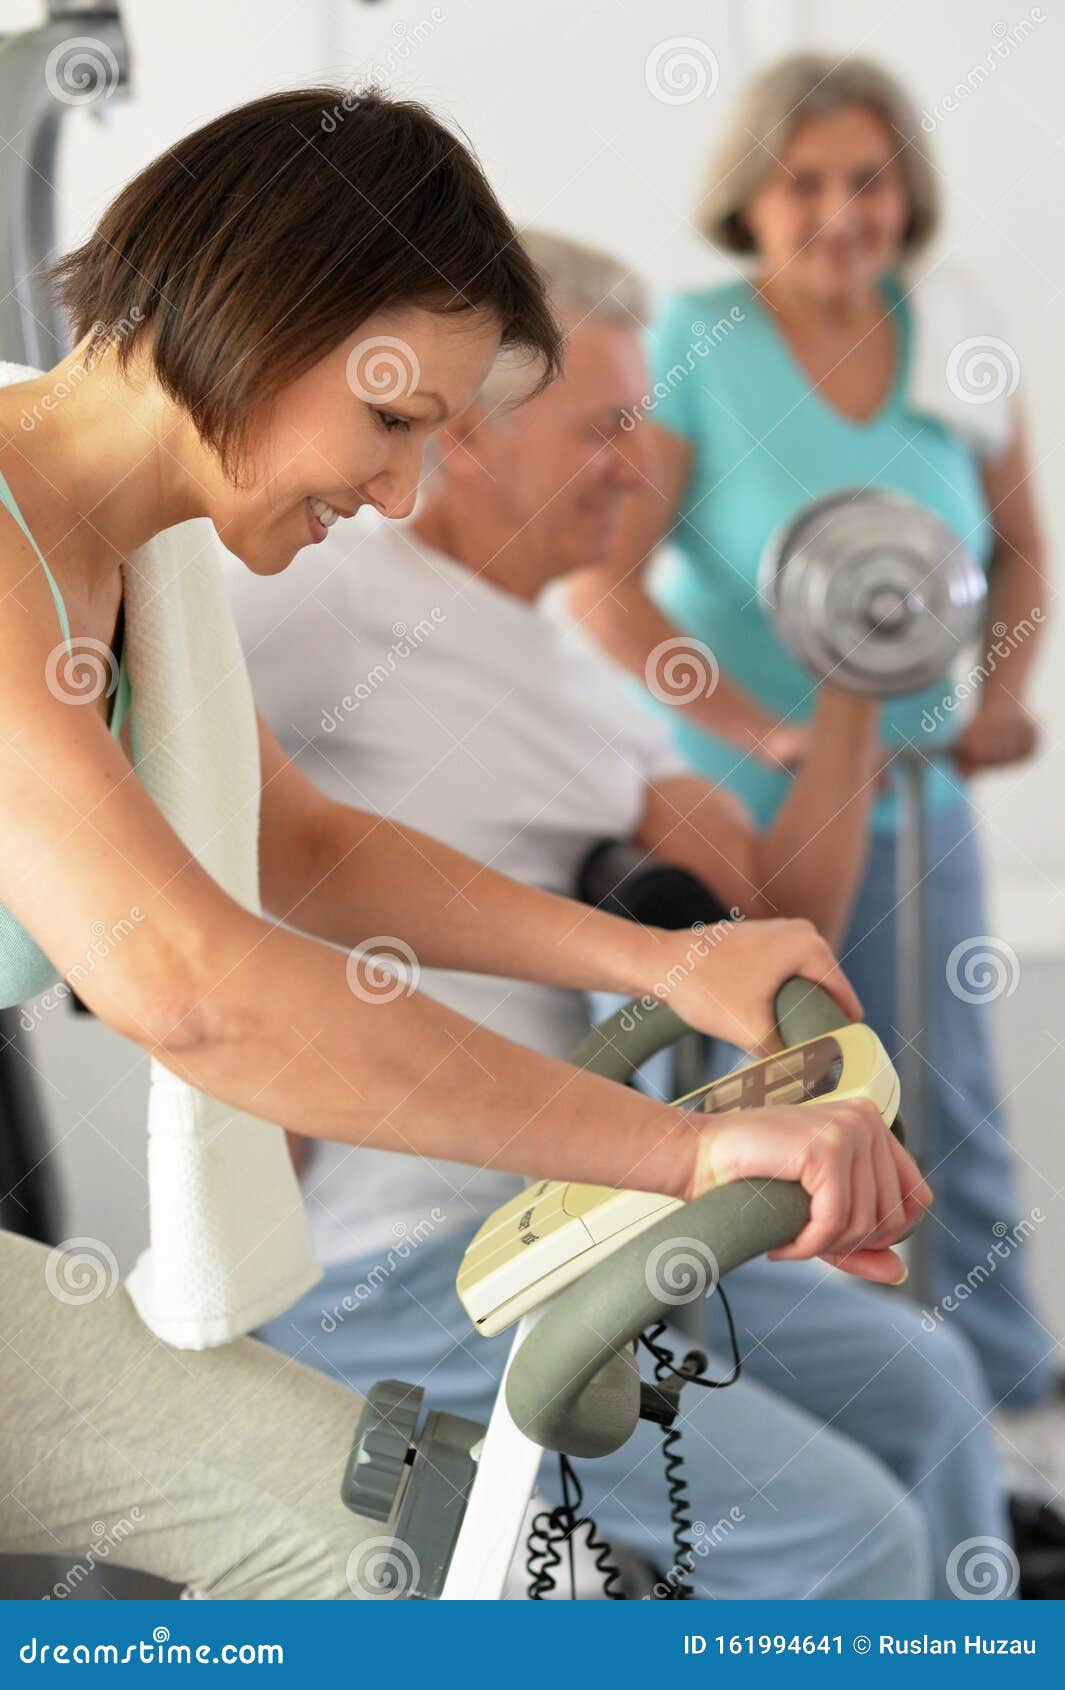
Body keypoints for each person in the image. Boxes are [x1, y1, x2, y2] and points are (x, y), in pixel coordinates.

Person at [0, 88, 924, 1598]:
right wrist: (683, 1151)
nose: (398, 492)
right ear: (262, 312)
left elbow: (294, 845)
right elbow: (197, 986)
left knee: (401, 1552)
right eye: (391, 421)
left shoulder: (132, 549)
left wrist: (666, 960)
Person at [232, 231, 1006, 1601]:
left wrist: (847, 673)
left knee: (927, 1382)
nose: (637, 467)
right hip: (401, 1254)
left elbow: (769, 917)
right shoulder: (323, 598)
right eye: (604, 430)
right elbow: (156, 792)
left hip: (584, 1208)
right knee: (849, 1543)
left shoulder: (585, 679)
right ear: (461, 437)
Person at [566, 53, 1059, 1488]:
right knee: (759, 1106)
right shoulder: (702, 344)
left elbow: (1020, 546)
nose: (839, 213)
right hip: (740, 802)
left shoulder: (949, 328)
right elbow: (603, 585)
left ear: (905, 197)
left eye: (868, 181)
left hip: (915, 793)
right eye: (805, 184)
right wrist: (759, 725)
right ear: (751, 198)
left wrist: (1005, 693)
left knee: (939, 1091)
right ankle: (759, 1416)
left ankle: (1005, 1413)